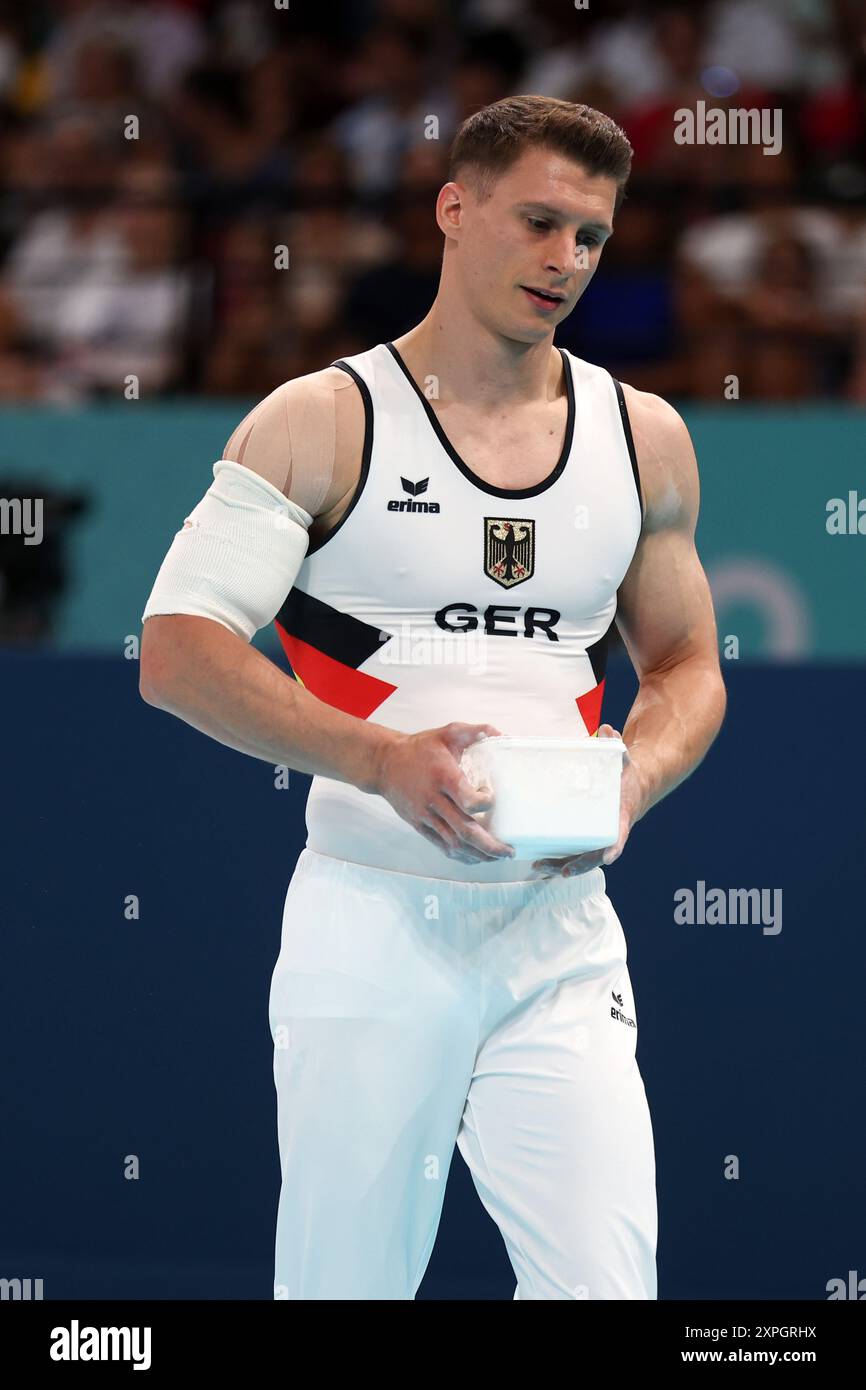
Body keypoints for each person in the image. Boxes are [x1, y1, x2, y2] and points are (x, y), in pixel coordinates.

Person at [140, 95, 727, 1300]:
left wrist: (636, 776)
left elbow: (685, 669)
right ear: (452, 211)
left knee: (608, 1293)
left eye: (591, 239)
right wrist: (378, 760)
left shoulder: (642, 438)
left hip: (559, 939)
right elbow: (178, 650)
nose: (564, 260)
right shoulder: (320, 420)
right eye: (538, 223)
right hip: (371, 924)